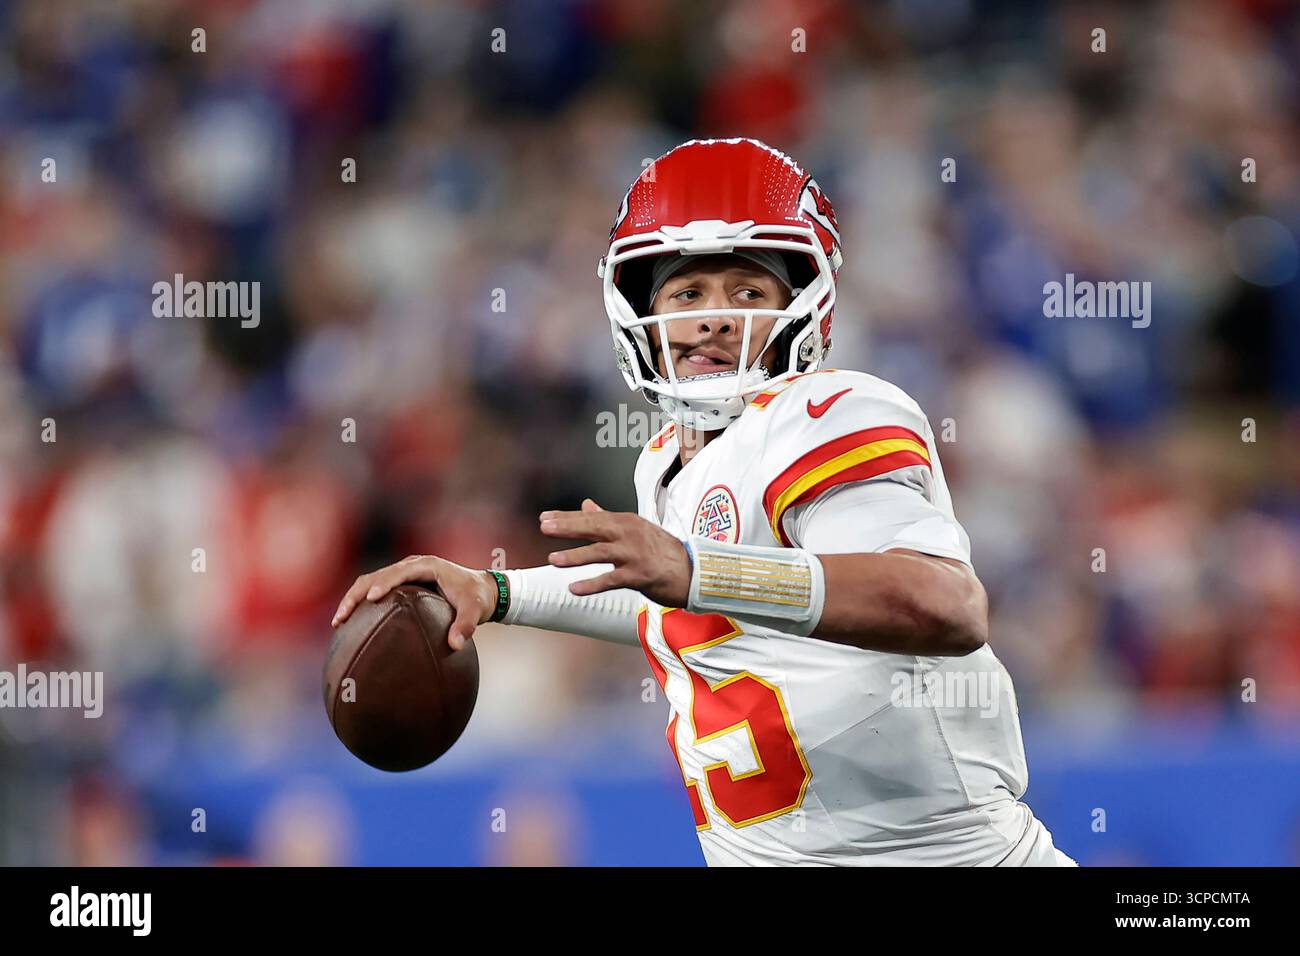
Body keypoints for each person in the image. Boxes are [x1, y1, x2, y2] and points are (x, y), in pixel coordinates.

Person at [333, 137, 1075, 866]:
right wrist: (493, 592)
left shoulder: (830, 413)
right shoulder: (666, 463)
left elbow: (941, 605)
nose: (715, 316)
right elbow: (684, 606)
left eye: (747, 291)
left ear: (805, 306)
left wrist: (693, 568)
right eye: (688, 292)